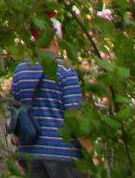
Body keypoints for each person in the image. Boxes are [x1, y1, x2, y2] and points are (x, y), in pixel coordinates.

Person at [11, 20, 86, 177]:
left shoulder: (20, 72)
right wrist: (90, 150)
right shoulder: (65, 70)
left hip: (30, 154)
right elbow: (73, 116)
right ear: (54, 40)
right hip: (63, 154)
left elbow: (16, 114)